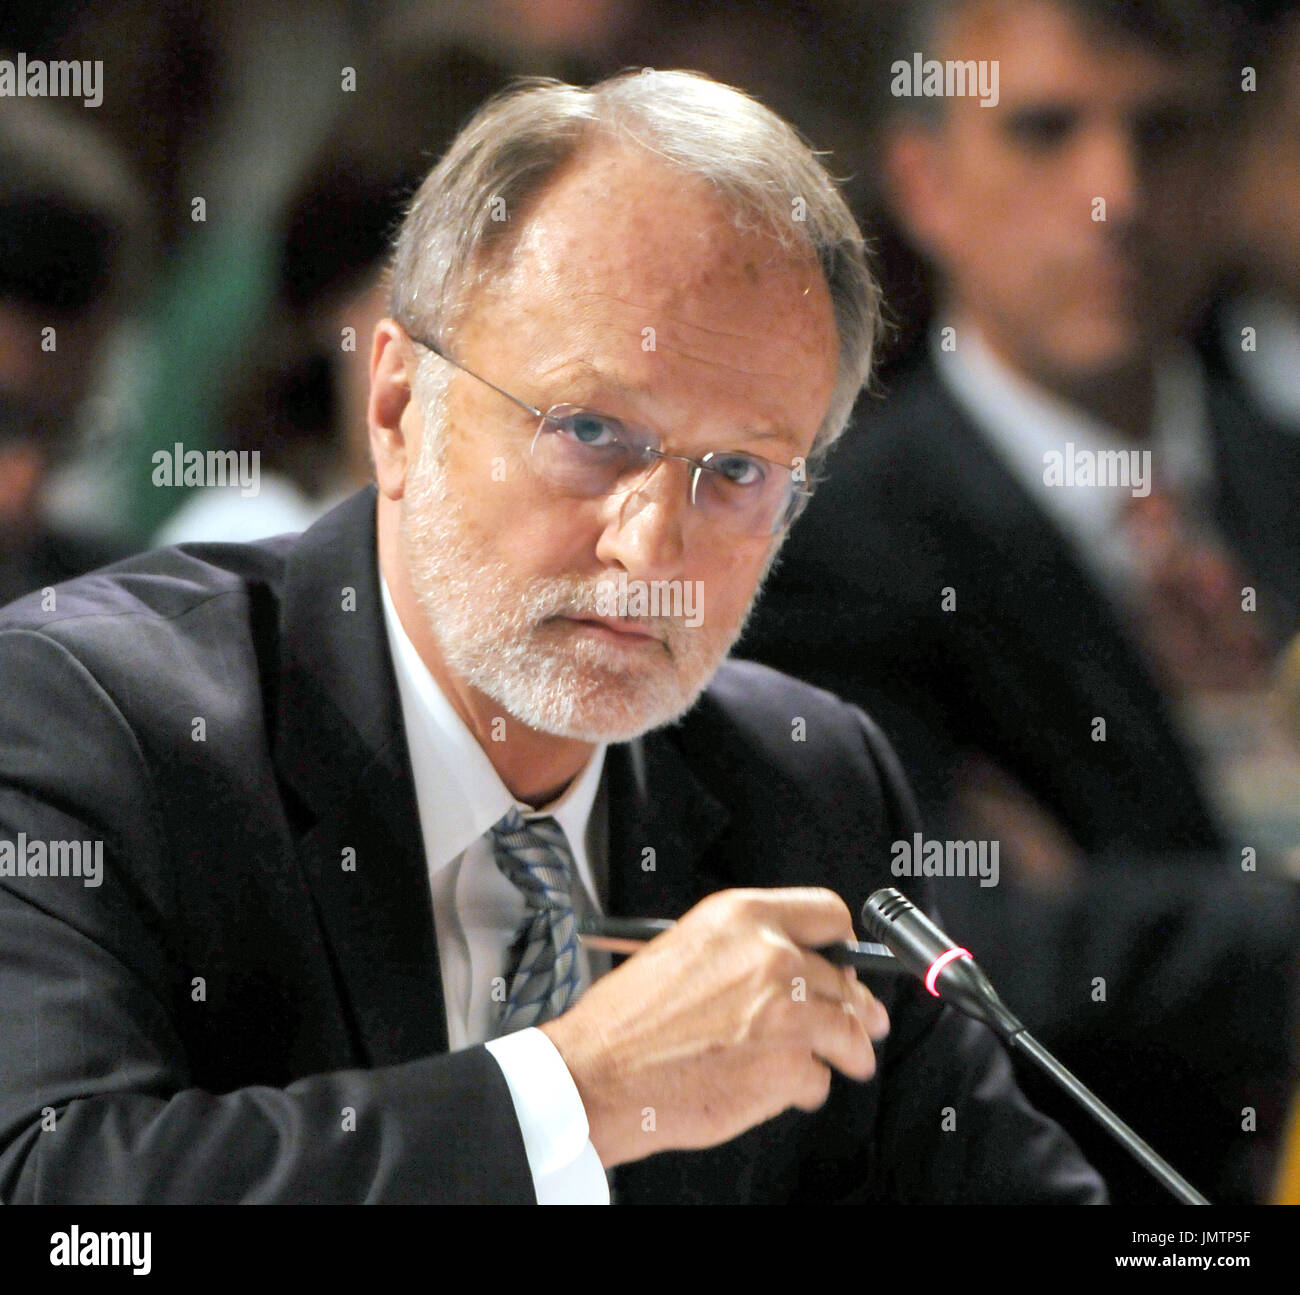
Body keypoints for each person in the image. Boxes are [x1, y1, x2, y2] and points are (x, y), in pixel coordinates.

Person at [0, 70, 1103, 1204]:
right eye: (589, 429)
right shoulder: (87, 720)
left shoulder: (805, 783)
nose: (651, 548)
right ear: (395, 405)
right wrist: (576, 1091)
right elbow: (57, 1200)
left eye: (736, 472)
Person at [740, 0, 1300, 1203]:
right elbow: (951, 948)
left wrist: (1122, 907)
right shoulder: (826, 549)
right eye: (1045, 132)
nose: (1117, 194)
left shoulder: (1283, 474)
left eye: (1166, 131)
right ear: (923, 180)